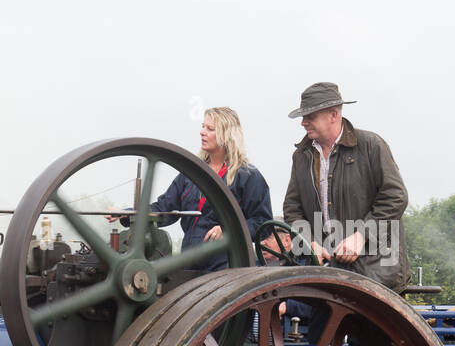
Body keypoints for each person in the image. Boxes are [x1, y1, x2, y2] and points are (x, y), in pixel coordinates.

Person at [281, 82, 410, 291]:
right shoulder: (301, 157)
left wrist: (361, 235)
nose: (303, 123)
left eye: (310, 116)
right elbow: (292, 208)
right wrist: (310, 243)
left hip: (375, 274)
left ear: (333, 115)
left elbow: (396, 197)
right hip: (328, 274)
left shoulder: (371, 145)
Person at [145, 106, 272, 285]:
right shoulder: (191, 173)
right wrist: (130, 215)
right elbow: (164, 209)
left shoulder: (248, 176)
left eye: (210, 129)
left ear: (227, 135)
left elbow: (262, 224)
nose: (202, 132)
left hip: (227, 263)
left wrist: (229, 228)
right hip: (189, 260)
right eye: (203, 126)